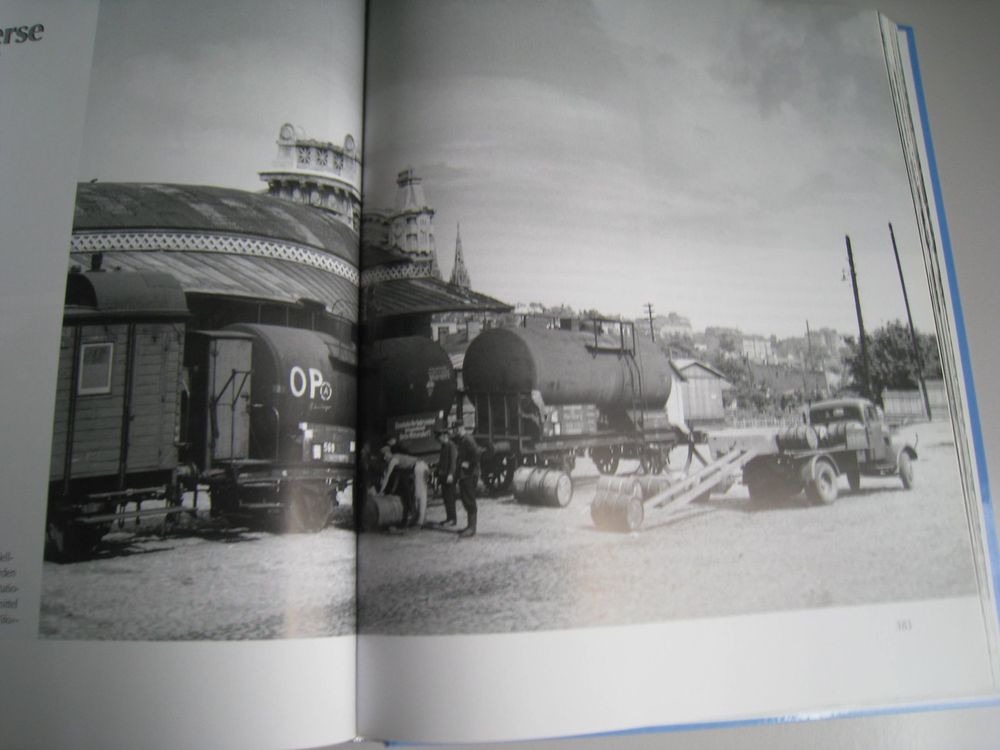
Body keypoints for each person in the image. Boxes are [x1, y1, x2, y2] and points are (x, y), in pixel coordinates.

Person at [378, 443, 429, 527]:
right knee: (416, 494)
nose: (384, 459)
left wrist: (380, 492)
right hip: (419, 466)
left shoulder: (393, 460)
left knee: (419, 494)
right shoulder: (397, 459)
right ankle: (418, 519)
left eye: (384, 456)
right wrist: (390, 491)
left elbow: (387, 477)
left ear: (387, 454)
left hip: (420, 466)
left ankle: (420, 521)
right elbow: (396, 479)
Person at [454, 423, 481, 538]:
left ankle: (472, 528)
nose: (455, 431)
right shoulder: (462, 440)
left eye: (456, 429)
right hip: (464, 475)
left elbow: (477, 453)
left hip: (469, 474)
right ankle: (469, 526)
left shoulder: (468, 439)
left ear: (461, 428)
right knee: (466, 499)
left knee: (469, 499)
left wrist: (469, 465)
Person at [435, 426, 459, 527]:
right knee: (446, 498)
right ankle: (449, 518)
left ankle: (452, 520)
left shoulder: (451, 445)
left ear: (444, 436)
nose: (438, 439)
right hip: (443, 476)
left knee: (450, 498)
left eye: (439, 437)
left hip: (449, 477)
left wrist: (450, 474)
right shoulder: (444, 446)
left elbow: (453, 462)